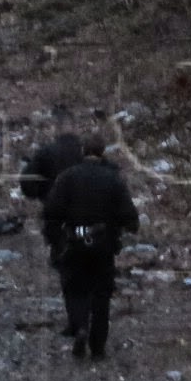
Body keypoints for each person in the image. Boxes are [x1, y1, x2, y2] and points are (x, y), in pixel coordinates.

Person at [42, 135, 140, 361]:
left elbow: (51, 212)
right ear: (103, 152)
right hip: (104, 245)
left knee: (75, 289)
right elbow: (128, 214)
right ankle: (98, 346)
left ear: (83, 152)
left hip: (74, 243)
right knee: (102, 294)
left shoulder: (67, 178)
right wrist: (128, 226)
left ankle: (80, 327)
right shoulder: (113, 179)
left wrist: (56, 241)